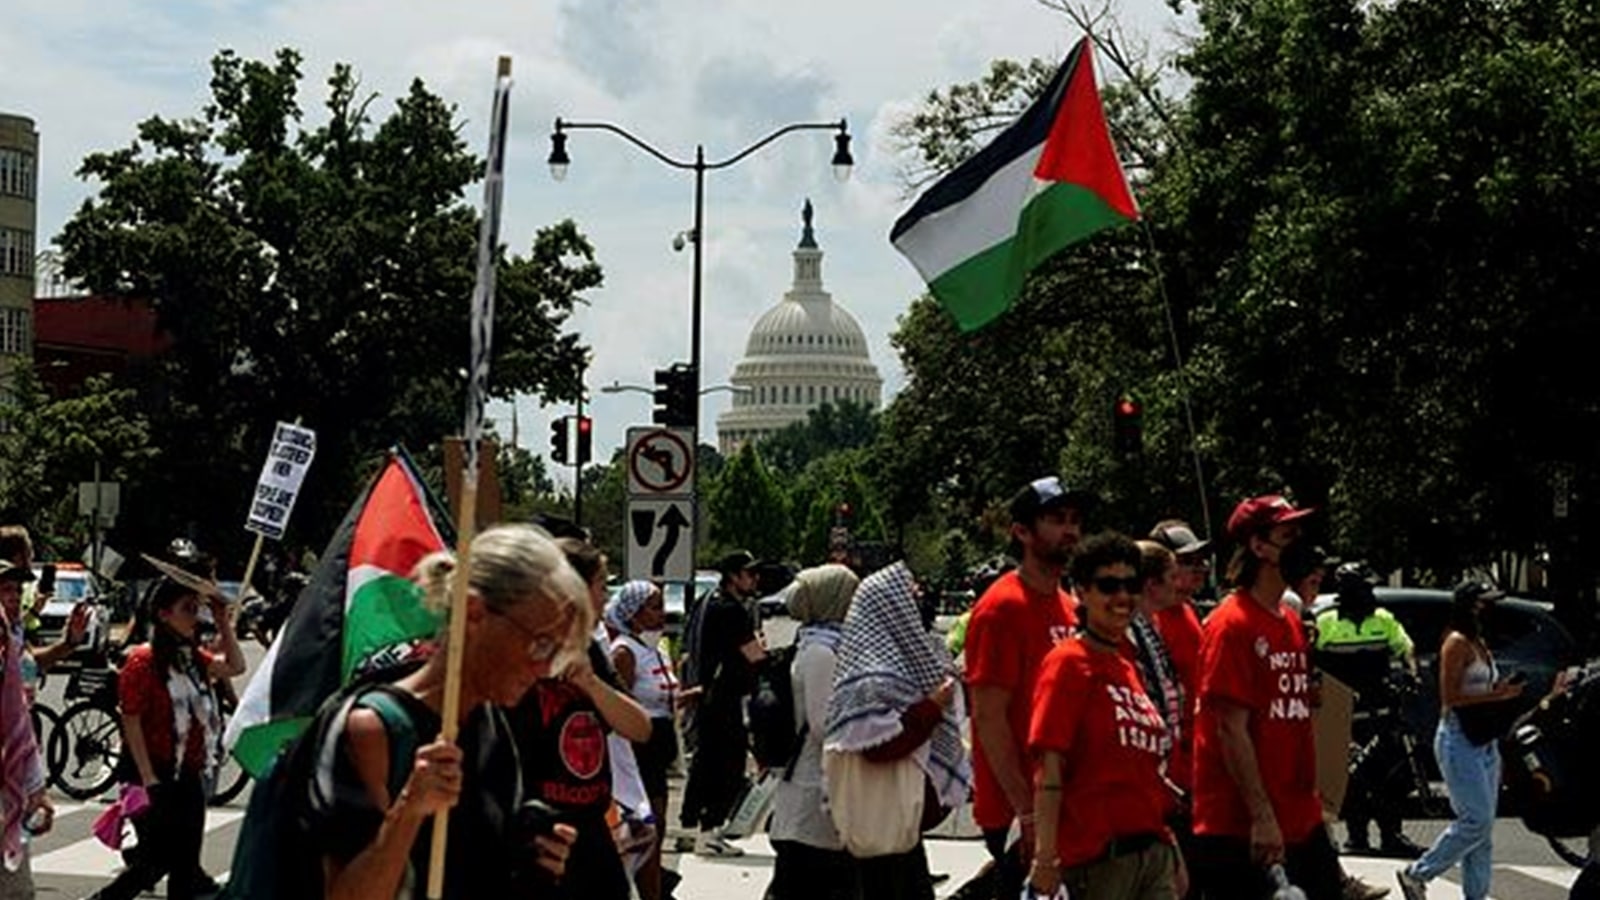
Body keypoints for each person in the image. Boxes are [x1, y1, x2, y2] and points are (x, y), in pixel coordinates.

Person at [311, 524, 588, 898]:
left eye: (558, 653)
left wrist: (534, 855)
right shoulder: (374, 728)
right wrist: (409, 811)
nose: (544, 669)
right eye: (540, 644)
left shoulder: (492, 723)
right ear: (473, 614)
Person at [1188, 495, 1343, 900]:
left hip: (1299, 817)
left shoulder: (1289, 621)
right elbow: (1230, 729)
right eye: (1287, 536)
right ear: (1258, 546)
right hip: (1241, 827)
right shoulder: (1231, 625)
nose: (1300, 546)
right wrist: (1262, 816)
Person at [1028, 532, 1184, 899]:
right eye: (1108, 586)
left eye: (1132, 585)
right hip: (1097, 864)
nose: (1122, 597)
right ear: (1081, 591)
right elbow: (1049, 770)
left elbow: (1145, 770)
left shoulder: (1128, 666)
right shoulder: (1068, 664)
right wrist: (1045, 857)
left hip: (1152, 854)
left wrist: (1169, 845)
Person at [964, 477, 1091, 899]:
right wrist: (1029, 811)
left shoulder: (1071, 607)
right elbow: (988, 717)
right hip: (1021, 812)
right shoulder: (1001, 608)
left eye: (1075, 520)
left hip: (1069, 803)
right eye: (1056, 520)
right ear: (1021, 531)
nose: (1070, 531)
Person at [89, 565, 246, 900]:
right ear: (163, 615)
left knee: (186, 864)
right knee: (156, 860)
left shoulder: (191, 658)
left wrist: (222, 620)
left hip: (187, 773)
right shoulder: (142, 661)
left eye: (197, 608)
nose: (195, 617)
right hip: (153, 774)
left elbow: (235, 667)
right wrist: (148, 777)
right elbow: (130, 720)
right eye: (187, 609)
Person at [511, 537, 651, 900]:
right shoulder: (517, 650)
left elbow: (639, 727)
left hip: (590, 825)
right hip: (538, 830)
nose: (606, 598)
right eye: (601, 586)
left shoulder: (589, 650)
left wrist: (591, 683)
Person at [824, 561, 971, 900]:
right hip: (882, 819)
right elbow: (879, 746)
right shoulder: (869, 677)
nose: (915, 604)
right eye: (907, 597)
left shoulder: (892, 662)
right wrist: (931, 707)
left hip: (897, 820)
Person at [1395, 581, 1525, 900]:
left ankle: (1475, 895)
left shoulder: (1479, 642)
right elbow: (1449, 697)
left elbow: (1481, 689)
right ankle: (1417, 873)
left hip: (1484, 738)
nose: (1488, 609)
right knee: (1475, 821)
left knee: (1483, 828)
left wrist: (1502, 691)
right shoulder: (1455, 642)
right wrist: (1498, 694)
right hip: (1458, 738)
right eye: (1483, 603)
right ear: (1470, 605)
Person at [1316, 562, 1422, 859]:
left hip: (1382, 712)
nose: (1370, 594)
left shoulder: (1383, 619)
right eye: (1364, 588)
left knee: (1390, 776)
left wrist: (1411, 673)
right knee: (1351, 778)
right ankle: (1357, 836)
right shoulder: (1326, 623)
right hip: (1342, 715)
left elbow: (1406, 647)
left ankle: (1392, 835)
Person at [767, 564, 859, 900]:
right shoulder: (821, 653)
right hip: (812, 792)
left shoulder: (816, 643)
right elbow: (822, 724)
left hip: (815, 789)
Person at [680, 550, 766, 857]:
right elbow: (754, 655)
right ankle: (710, 829)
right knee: (727, 765)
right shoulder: (732, 610)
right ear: (733, 576)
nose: (755, 579)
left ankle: (693, 827)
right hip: (726, 698)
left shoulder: (706, 602)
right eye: (749, 573)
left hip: (706, 695)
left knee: (705, 762)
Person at [607, 581, 683, 900]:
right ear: (633, 613)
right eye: (653, 607)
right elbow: (622, 702)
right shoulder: (624, 652)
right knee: (645, 825)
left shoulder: (657, 648)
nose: (661, 614)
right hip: (639, 749)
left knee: (660, 824)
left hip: (660, 745)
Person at [0, 559, 51, 900]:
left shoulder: (14, 640)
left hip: (10, 784)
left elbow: (19, 725)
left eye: (18, 590)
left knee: (16, 888)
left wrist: (36, 787)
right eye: (6, 589)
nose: (15, 597)